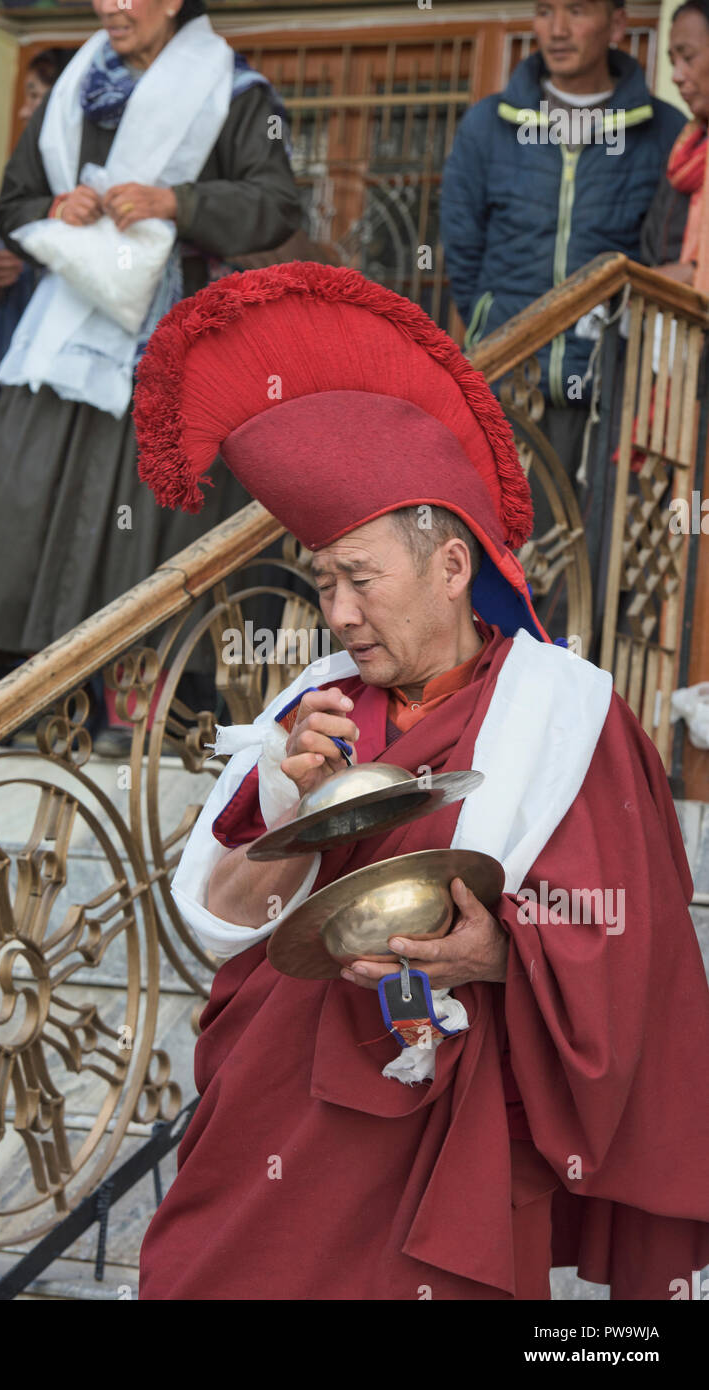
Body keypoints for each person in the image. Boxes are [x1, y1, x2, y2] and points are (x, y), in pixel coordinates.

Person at [130, 261, 709, 1300]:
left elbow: (634, 940)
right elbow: (221, 923)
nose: (340, 614)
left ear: (451, 567)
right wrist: (275, 796)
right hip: (277, 1099)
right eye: (322, 581)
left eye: (361, 578)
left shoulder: (564, 714)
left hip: (449, 1102)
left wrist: (502, 953)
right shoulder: (309, 703)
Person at [0, 0, 302, 723]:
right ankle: (12, 722)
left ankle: (140, 730)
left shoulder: (236, 93)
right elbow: (12, 204)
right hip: (58, 349)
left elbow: (276, 206)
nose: (108, 6)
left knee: (137, 543)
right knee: (18, 520)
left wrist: (178, 201)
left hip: (167, 351)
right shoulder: (75, 89)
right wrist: (58, 204)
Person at [441, 1, 685, 637]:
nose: (556, 28)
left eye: (576, 11)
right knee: (493, 561)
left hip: (611, 392)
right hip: (506, 388)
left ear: (617, 22)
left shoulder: (662, 132)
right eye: (545, 10)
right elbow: (463, 256)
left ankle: (579, 714)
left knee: (594, 571)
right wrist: (497, 327)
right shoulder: (488, 127)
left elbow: (663, 255)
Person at [0, 48, 73, 380]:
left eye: (35, 96)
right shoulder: (18, 194)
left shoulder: (104, 190)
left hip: (68, 388)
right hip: (8, 387)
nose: (24, 111)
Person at [642, 0, 709, 280]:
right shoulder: (685, 153)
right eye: (672, 61)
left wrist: (692, 276)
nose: (676, 76)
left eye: (688, 57)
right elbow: (652, 251)